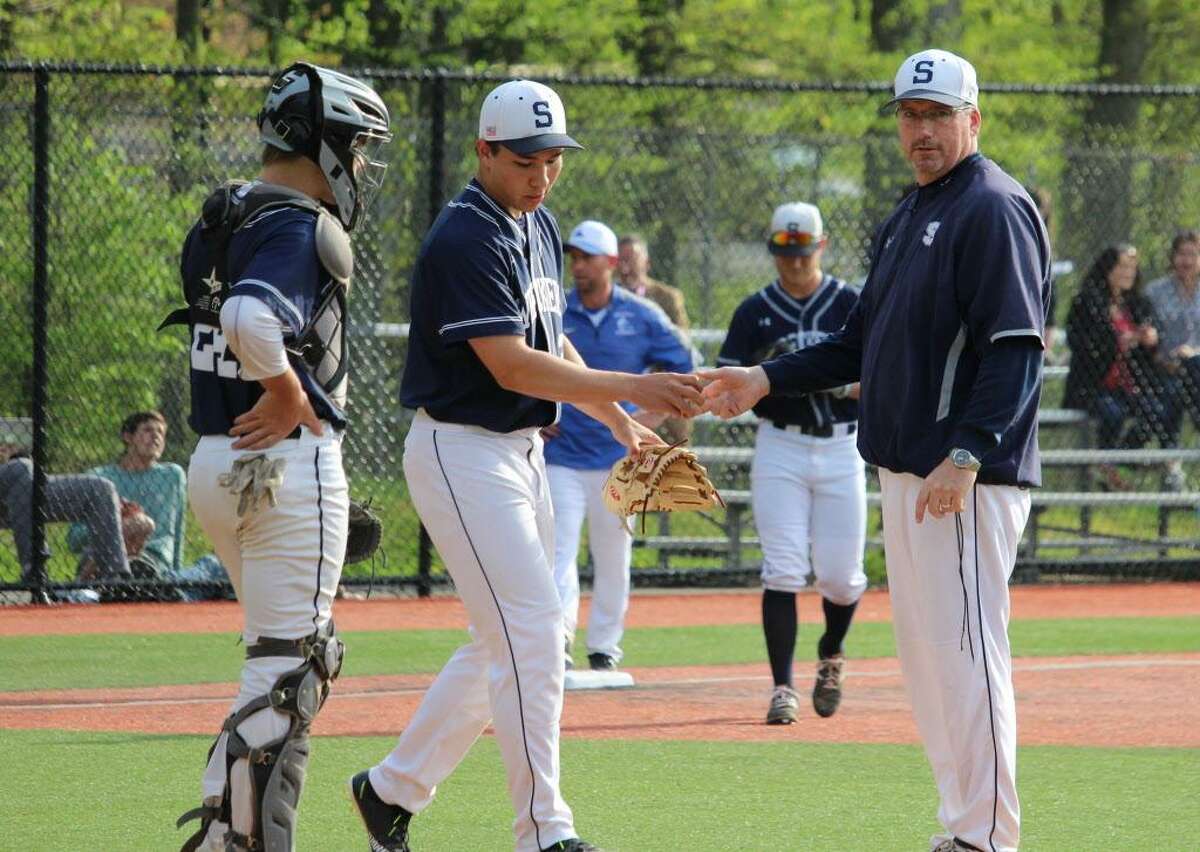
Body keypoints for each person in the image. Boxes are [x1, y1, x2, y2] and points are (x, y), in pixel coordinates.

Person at [701, 49, 1049, 852]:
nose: (921, 130)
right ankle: (961, 827)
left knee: (966, 655)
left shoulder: (993, 207)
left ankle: (988, 837)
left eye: (937, 114)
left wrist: (966, 456)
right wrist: (762, 377)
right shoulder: (912, 210)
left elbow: (1017, 349)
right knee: (931, 667)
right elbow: (858, 345)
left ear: (973, 118)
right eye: (909, 114)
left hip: (959, 477)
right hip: (906, 470)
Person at [350, 79, 702, 852]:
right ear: (484, 150)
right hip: (461, 451)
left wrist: (618, 419)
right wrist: (634, 384)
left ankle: (389, 792)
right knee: (535, 632)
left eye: (554, 159)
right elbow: (511, 366)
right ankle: (544, 832)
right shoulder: (464, 238)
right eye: (525, 160)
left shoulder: (535, 223)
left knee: (503, 639)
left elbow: (549, 341)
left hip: (519, 456)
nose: (542, 174)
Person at [170, 61, 393, 851]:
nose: (361, 166)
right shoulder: (302, 223)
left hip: (217, 463)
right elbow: (250, 316)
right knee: (297, 671)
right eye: (357, 148)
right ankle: (245, 842)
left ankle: (225, 833)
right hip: (287, 461)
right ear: (325, 144)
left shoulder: (223, 215)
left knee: (273, 662)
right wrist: (292, 392)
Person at [714, 201, 866, 724]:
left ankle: (831, 653)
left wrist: (833, 380)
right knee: (782, 568)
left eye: (803, 250)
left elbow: (888, 376)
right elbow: (726, 384)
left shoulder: (851, 302)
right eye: (785, 250)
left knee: (843, 579)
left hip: (842, 445)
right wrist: (762, 378)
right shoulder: (755, 309)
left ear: (820, 247)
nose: (795, 261)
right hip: (780, 444)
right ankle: (782, 688)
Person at [544, 219, 694, 672]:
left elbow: (685, 370)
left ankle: (605, 646)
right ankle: (560, 640)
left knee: (613, 556)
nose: (579, 266)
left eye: (588, 258)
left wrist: (640, 422)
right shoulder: (557, 310)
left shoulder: (642, 315)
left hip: (619, 458)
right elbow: (520, 361)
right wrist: (538, 415)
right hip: (561, 455)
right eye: (574, 258)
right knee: (558, 550)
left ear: (611, 263)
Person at [1063, 245, 1172, 488]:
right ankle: (1107, 465)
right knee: (1112, 413)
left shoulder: (1137, 303)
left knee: (1156, 411)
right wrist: (1117, 340)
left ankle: (1114, 462)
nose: (1128, 273)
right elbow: (1079, 341)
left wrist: (1150, 339)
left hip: (1131, 385)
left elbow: (1154, 340)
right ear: (1107, 269)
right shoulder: (1088, 301)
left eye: (1132, 267)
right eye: (1122, 266)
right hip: (1095, 386)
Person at [0, 442, 131, 600]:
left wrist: (17, 452)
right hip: (15, 476)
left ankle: (115, 582)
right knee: (20, 467)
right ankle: (34, 569)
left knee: (100, 489)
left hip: (19, 486)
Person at [67, 410, 186, 580]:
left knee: (140, 567)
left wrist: (177, 574)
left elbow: (177, 531)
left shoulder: (172, 475)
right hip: (103, 554)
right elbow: (74, 539)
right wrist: (117, 527)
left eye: (161, 432)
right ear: (128, 437)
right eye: (147, 430)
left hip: (153, 558)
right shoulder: (99, 478)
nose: (156, 437)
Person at [617, 234, 693, 444]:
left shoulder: (666, 298)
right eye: (620, 259)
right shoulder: (607, 299)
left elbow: (681, 344)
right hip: (620, 395)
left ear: (647, 263)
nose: (625, 267)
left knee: (670, 464)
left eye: (631, 259)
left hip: (663, 393)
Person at [1146, 229, 1200, 488]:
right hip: (1165, 368)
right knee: (1172, 394)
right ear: (1172, 257)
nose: (1186, 260)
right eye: (1181, 254)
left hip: (1198, 369)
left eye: (1192, 254)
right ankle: (1172, 465)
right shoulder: (1156, 291)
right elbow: (1148, 331)